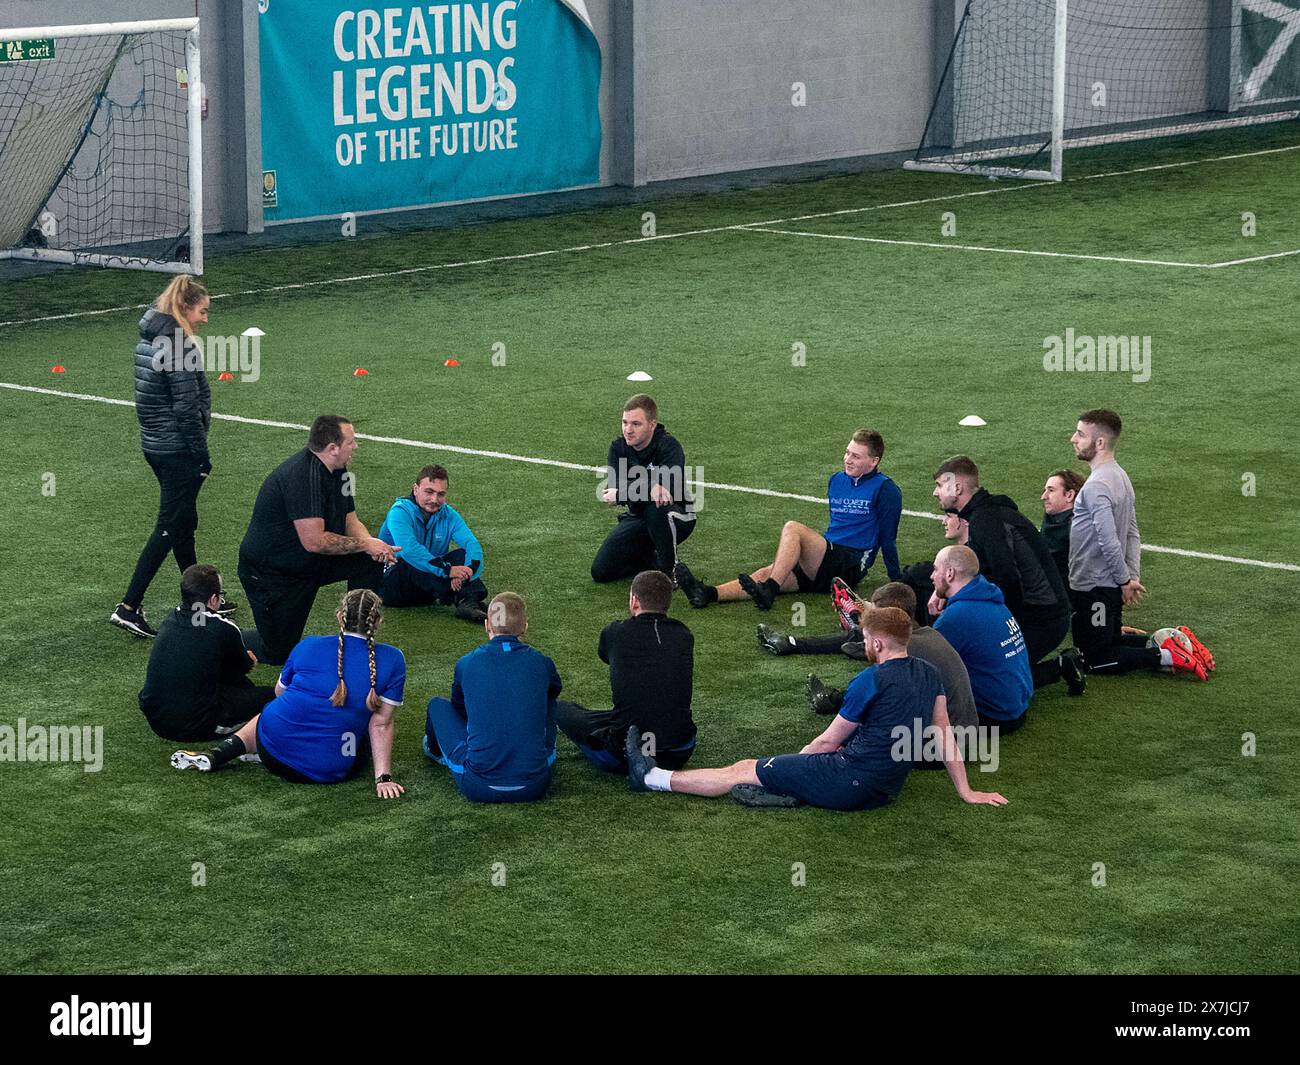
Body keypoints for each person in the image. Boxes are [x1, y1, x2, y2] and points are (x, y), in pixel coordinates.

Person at [625, 607, 1007, 811]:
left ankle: (653, 778)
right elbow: (945, 737)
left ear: (875, 642)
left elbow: (827, 743)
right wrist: (967, 791)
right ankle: (790, 791)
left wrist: (791, 764)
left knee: (744, 768)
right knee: (793, 769)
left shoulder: (869, 680)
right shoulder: (928, 673)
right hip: (887, 789)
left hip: (852, 784)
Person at [169, 589, 406, 799]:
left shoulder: (309, 645)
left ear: (339, 617)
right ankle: (252, 752)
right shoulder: (393, 659)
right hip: (326, 769)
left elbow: (280, 693)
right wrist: (383, 778)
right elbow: (380, 725)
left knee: (270, 713)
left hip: (273, 748)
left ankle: (222, 752)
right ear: (377, 622)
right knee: (359, 733)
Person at [112, 275, 228, 638]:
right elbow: (186, 405)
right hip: (178, 450)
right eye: (202, 311)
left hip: (155, 446)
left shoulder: (147, 340)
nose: (206, 319)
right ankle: (129, 606)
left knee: (182, 521)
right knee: (167, 527)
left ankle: (201, 597)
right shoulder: (178, 346)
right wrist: (201, 455)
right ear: (184, 308)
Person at [676, 429, 901, 611]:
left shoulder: (886, 489)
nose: (847, 460)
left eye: (856, 456)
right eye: (847, 453)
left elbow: (888, 539)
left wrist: (897, 580)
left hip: (850, 564)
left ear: (874, 461)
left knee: (793, 528)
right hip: (825, 558)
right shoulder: (837, 480)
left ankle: (770, 590)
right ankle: (707, 593)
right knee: (768, 573)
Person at [237, 415, 396, 665]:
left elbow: (349, 519)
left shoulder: (341, 472)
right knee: (277, 651)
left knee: (368, 560)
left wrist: (372, 545)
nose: (356, 447)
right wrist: (367, 544)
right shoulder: (303, 477)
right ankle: (225, 634)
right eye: (351, 442)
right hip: (273, 573)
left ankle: (358, 635)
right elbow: (314, 541)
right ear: (333, 448)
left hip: (308, 562)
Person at [763, 582, 981, 764]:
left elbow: (881, 701)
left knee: (862, 727)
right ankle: (828, 694)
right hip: (968, 743)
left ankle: (828, 707)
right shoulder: (931, 636)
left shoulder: (903, 655)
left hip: (936, 751)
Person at [1068, 409, 1213, 679]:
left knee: (1092, 659)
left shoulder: (1096, 486)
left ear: (1099, 443)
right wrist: (1130, 576)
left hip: (1094, 587)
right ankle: (1179, 642)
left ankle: (1168, 654)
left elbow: (1108, 540)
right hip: (1108, 585)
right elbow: (1133, 532)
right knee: (1110, 641)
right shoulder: (1121, 476)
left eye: (1080, 434)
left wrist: (1125, 580)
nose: (1073, 439)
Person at [931, 456, 1084, 695]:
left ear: (957, 488)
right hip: (1038, 611)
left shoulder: (986, 520)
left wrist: (994, 626)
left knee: (988, 677)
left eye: (940, 485)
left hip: (1043, 619)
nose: (935, 492)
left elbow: (1008, 581)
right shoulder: (986, 514)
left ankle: (1062, 666)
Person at [425, 592, 562, 803]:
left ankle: (434, 751)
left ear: (487, 625)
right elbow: (554, 692)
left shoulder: (467, 663)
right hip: (535, 785)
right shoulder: (542, 662)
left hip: (478, 784)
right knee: (549, 700)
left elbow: (459, 709)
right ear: (525, 626)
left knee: (437, 705)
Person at [557, 570, 697, 773]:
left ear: (634, 600)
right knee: (634, 712)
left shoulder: (615, 632)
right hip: (679, 752)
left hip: (622, 755)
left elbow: (605, 656)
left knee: (562, 710)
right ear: (668, 602)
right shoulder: (684, 635)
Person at [139, 564, 275, 742]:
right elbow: (245, 667)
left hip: (156, 722)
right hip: (197, 726)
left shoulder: (170, 620)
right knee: (275, 697)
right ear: (213, 599)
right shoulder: (223, 627)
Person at [592, 394, 697, 582]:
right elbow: (611, 492)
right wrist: (649, 487)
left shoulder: (668, 446)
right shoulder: (618, 448)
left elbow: (667, 491)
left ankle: (669, 571)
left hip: (676, 515)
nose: (628, 430)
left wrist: (627, 492)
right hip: (638, 518)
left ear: (652, 424)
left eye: (636, 424)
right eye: (624, 423)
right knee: (601, 571)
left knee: (656, 505)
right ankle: (650, 560)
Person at [929, 546, 1033, 734]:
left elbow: (923, 666)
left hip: (993, 716)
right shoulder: (989, 598)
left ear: (950, 573)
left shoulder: (956, 617)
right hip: (1017, 706)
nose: (931, 576)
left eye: (936, 569)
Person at [378, 463, 489, 622]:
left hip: (429, 587)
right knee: (410, 559)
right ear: (416, 489)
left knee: (463, 554)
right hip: (394, 588)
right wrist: (448, 571)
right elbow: (409, 551)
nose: (435, 499)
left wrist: (467, 574)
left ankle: (467, 601)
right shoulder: (399, 512)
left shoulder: (448, 514)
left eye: (441, 494)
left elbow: (472, 545)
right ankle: (467, 597)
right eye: (429, 492)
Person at [1040, 468, 1085, 585]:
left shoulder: (1080, 529)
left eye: (1051, 490)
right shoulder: (1051, 519)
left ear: (1069, 495)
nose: (1044, 496)